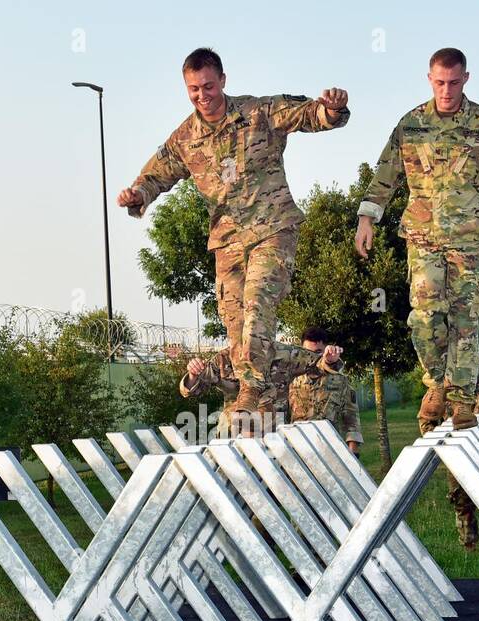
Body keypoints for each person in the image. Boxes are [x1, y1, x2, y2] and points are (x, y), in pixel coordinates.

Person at [119, 47, 350, 432]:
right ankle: (253, 398)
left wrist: (331, 109)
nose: (202, 95)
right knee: (236, 323)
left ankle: (251, 389)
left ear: (223, 80)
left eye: (208, 86)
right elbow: (157, 174)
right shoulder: (185, 137)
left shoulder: (258, 113)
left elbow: (307, 115)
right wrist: (138, 194)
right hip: (226, 242)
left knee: (258, 302)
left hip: (272, 229)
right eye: (193, 89)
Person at [355, 46, 479, 433]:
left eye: (454, 82)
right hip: (422, 237)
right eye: (440, 82)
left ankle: (461, 400)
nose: (447, 90)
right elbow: (386, 173)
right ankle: (437, 384)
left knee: (465, 320)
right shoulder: (410, 126)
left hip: (469, 239)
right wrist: (367, 217)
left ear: (466, 79)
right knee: (424, 319)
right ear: (430, 79)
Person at [419, 369, 479, 552]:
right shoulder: (439, 387)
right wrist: (440, 444)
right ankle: (469, 545)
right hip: (456, 451)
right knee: (461, 499)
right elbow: (425, 418)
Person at [180, 341, 343, 436]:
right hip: (234, 435)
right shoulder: (225, 358)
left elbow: (318, 365)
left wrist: (329, 360)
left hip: (273, 434)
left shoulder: (286, 354)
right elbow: (192, 390)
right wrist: (193, 374)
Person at [288, 327, 363, 454]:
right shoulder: (291, 379)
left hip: (329, 449)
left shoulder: (340, 381)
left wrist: (353, 453)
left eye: (317, 352)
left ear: (325, 351)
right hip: (297, 449)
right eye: (307, 352)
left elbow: (351, 419)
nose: (312, 358)